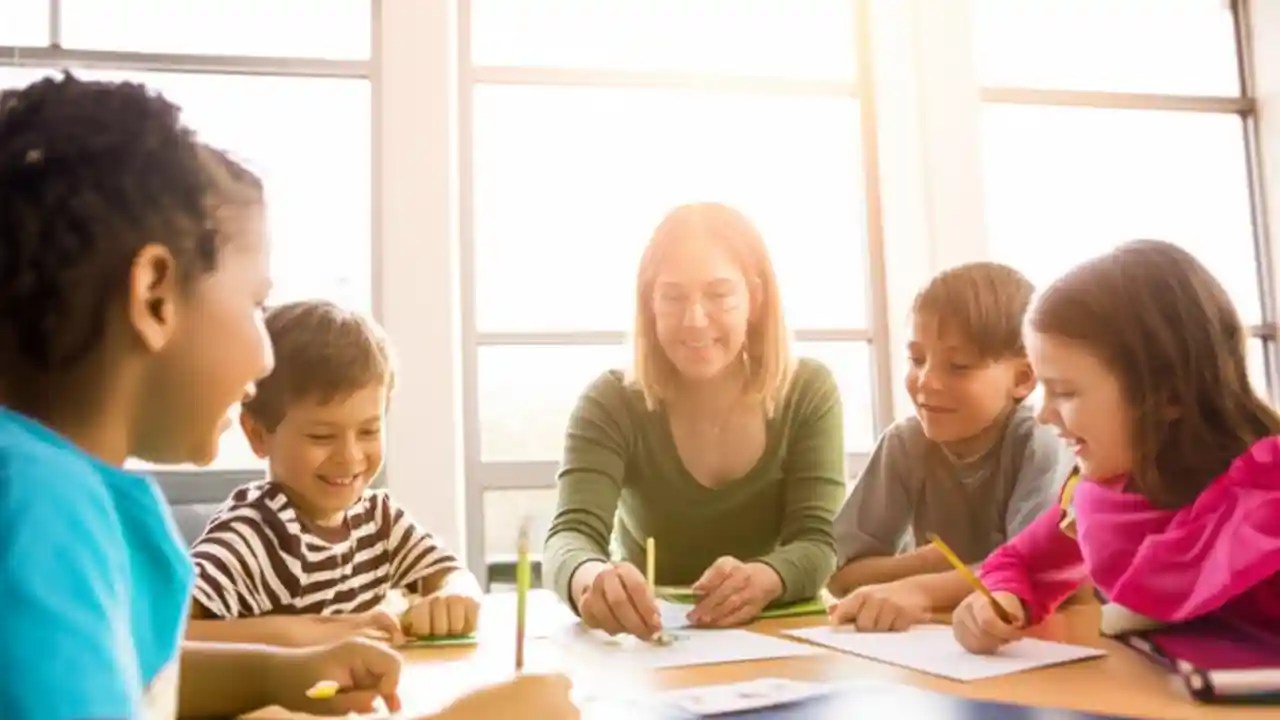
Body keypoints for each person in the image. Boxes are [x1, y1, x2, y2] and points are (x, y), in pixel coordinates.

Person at [0, 74, 577, 720]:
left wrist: (274, 673)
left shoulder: (56, 491)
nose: (265, 354)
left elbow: (137, 680)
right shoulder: (36, 518)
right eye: (256, 303)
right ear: (156, 294)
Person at [951, 240, 1280, 654]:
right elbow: (1017, 562)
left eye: (1065, 392)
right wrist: (998, 600)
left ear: (1169, 395)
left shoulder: (1265, 503)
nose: (1043, 415)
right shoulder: (1102, 495)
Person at [543, 202, 846, 640]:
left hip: (781, 638)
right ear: (650, 303)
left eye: (719, 294)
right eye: (673, 296)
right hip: (653, 646)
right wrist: (591, 578)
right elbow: (569, 537)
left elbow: (820, 542)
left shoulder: (808, 391)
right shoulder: (609, 401)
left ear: (754, 299)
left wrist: (768, 576)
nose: (695, 320)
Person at [186, 300, 481, 647]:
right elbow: (161, 635)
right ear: (258, 434)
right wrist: (316, 633)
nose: (350, 456)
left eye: (369, 431)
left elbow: (453, 575)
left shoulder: (378, 520)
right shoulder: (253, 533)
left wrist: (454, 597)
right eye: (322, 436)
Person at [826, 263, 1073, 630]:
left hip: (1030, 638)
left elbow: (1031, 570)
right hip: (931, 641)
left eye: (958, 366)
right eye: (917, 360)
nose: (926, 382)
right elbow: (840, 574)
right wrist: (925, 565)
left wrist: (920, 588)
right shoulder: (904, 444)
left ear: (1022, 378)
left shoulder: (1040, 443)